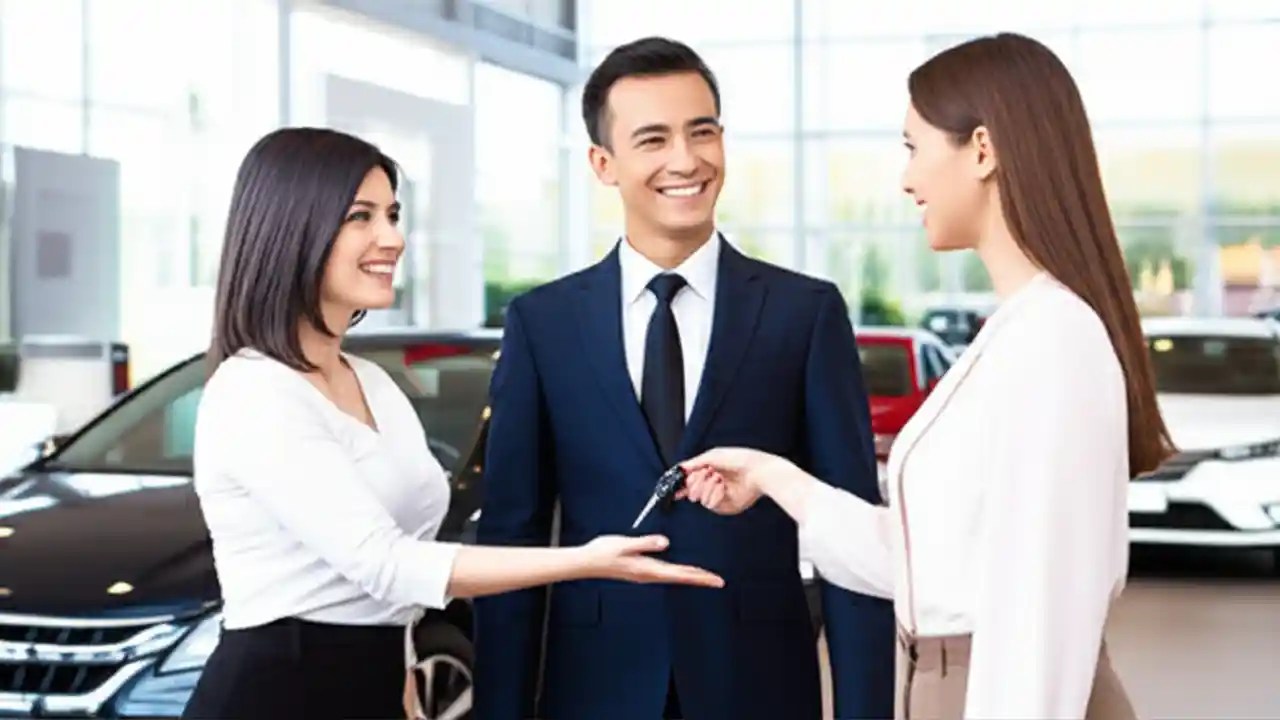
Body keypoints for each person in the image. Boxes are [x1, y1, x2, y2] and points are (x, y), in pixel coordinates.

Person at [677, 32, 1176, 720]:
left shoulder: (1052, 339)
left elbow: (1037, 609)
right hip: (947, 678)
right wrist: (772, 477)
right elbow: (928, 563)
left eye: (912, 148)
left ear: (981, 149)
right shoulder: (1016, 332)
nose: (905, 179)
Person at [181, 127, 723, 720]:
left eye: (392, 214)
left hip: (375, 679)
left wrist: (405, 660)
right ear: (292, 231)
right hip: (277, 691)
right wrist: (585, 559)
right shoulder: (256, 389)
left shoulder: (371, 381)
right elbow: (386, 564)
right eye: (360, 217)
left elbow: (407, 561)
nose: (392, 238)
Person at [473, 37, 894, 720]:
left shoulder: (803, 313)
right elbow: (512, 539)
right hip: (595, 687)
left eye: (703, 132)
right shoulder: (543, 323)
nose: (686, 160)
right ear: (603, 164)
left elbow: (850, 532)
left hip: (758, 685)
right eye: (654, 139)